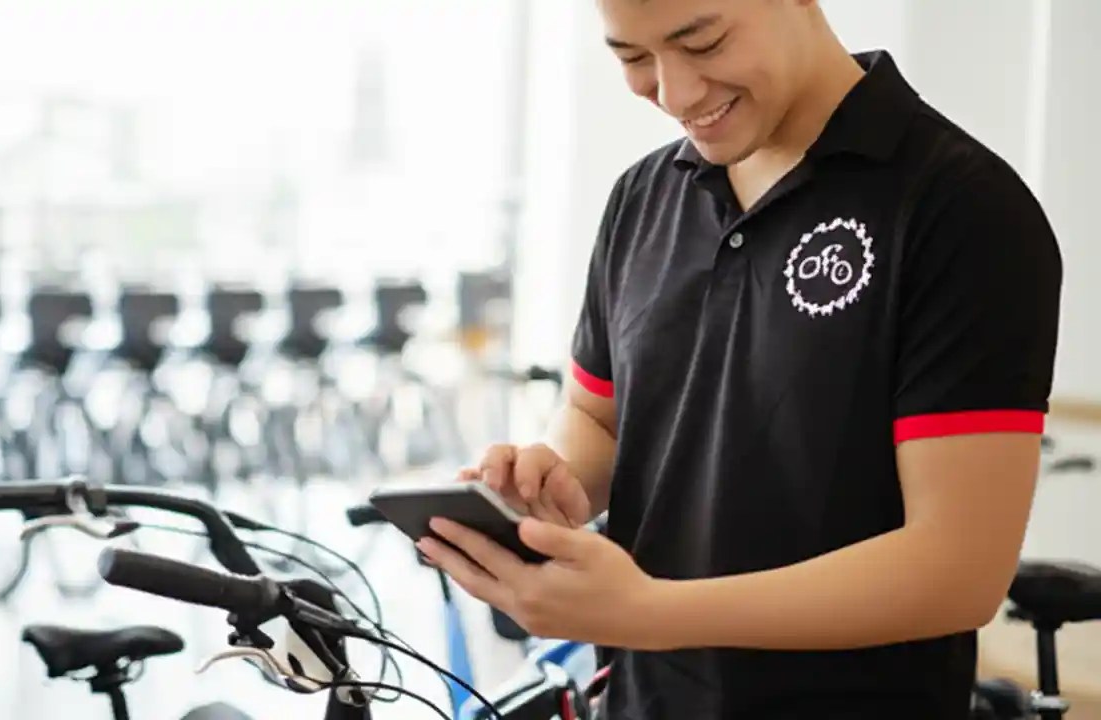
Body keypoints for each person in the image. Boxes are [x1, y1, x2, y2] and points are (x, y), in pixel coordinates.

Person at [415, 0, 1064, 718]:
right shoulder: (644, 196)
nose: (674, 92)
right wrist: (552, 482)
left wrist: (652, 612)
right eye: (633, 58)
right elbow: (598, 416)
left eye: (703, 40)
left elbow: (956, 572)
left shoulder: (963, 209)